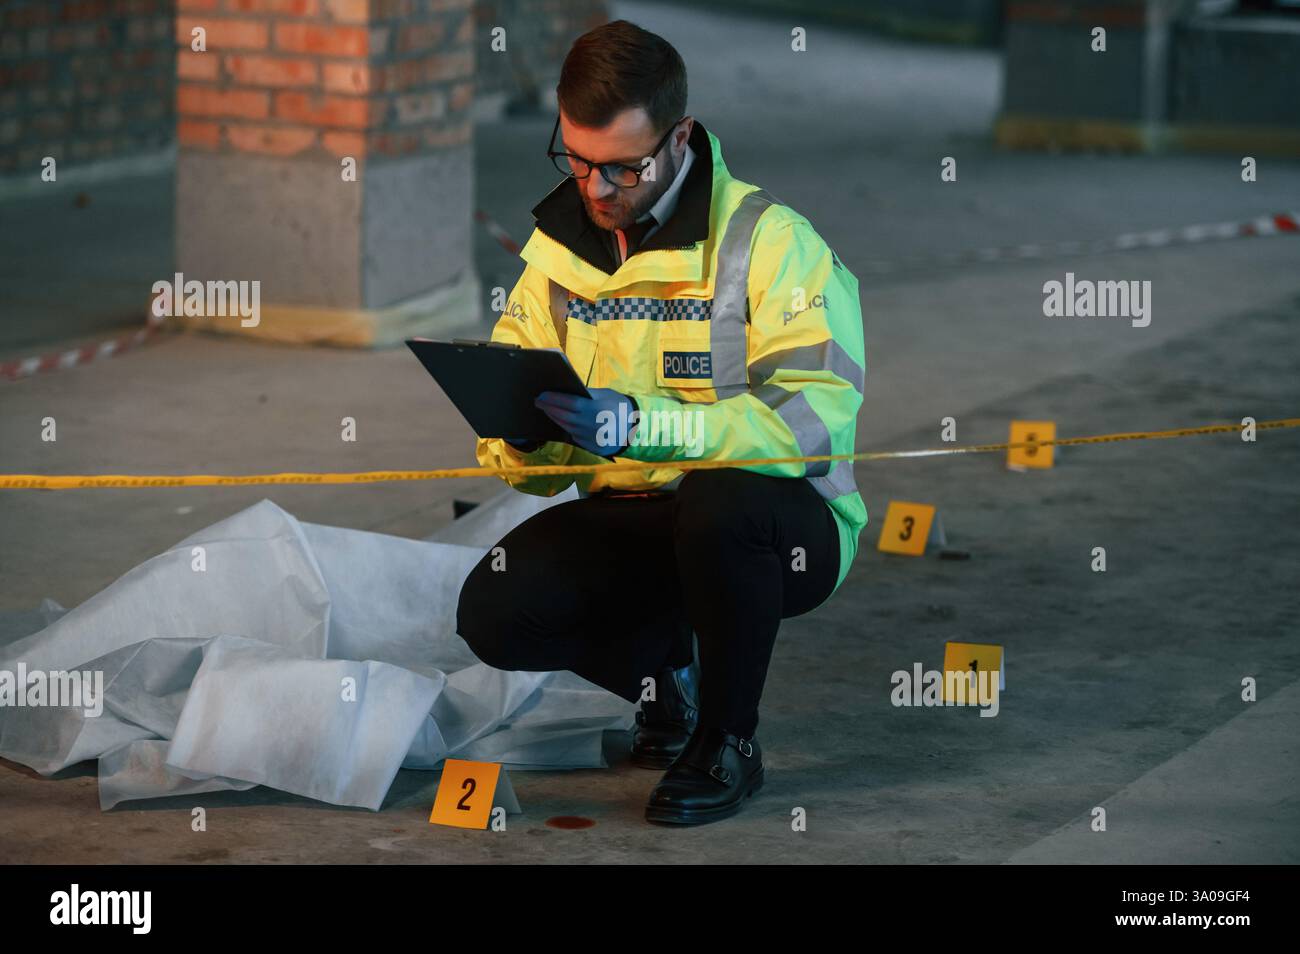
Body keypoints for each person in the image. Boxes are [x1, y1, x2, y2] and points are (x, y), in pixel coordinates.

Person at [455, 19, 867, 825]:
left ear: (679, 137)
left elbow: (813, 419)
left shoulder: (772, 243)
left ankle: (728, 742)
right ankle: (664, 684)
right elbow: (526, 466)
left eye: (622, 167)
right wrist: (522, 436)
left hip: (780, 529)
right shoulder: (556, 260)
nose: (597, 190)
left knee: (722, 505)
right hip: (638, 520)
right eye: (576, 160)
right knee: (497, 612)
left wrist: (647, 427)